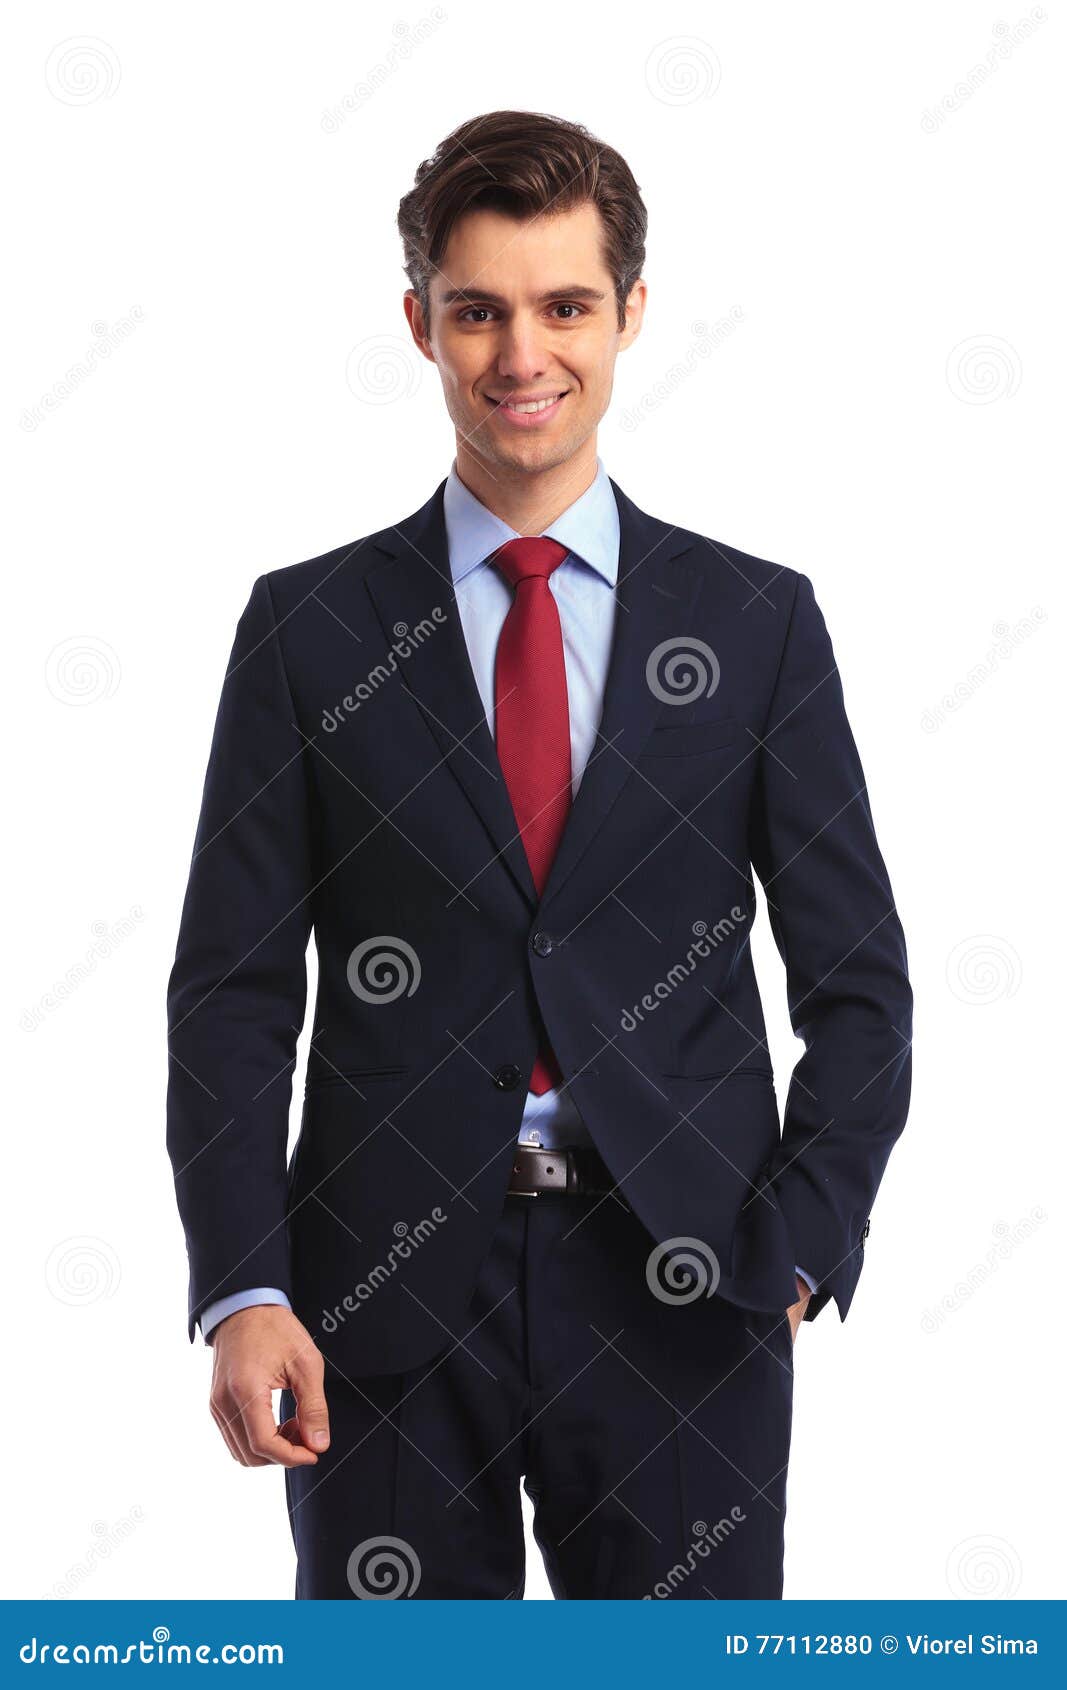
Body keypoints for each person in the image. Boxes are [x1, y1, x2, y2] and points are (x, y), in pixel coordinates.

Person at [166, 109, 912, 1599]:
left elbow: (860, 983)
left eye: (566, 305)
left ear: (630, 313)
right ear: (420, 323)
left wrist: (804, 1244)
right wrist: (244, 1285)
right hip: (376, 1304)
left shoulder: (756, 626)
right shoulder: (308, 632)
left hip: (687, 1288)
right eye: (480, 310)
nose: (524, 354)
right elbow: (236, 992)